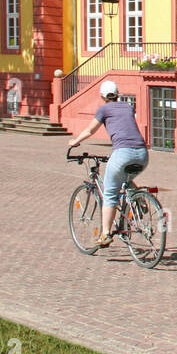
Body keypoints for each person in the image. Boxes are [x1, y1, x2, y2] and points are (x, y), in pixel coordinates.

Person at [66, 80, 149, 247]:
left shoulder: (103, 109)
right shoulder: (127, 106)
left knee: (110, 194)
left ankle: (105, 234)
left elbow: (90, 130)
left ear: (102, 96)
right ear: (117, 94)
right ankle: (137, 199)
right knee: (124, 178)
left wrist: (75, 142)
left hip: (122, 153)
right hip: (142, 153)